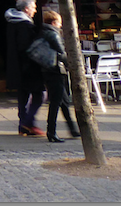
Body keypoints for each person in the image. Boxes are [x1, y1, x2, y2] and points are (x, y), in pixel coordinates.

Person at [5, 0, 45, 137]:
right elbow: (25, 47)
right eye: (34, 8)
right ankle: (28, 122)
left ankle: (24, 124)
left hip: (17, 66)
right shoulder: (25, 26)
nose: (35, 10)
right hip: (28, 66)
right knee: (40, 94)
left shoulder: (12, 22)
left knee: (23, 96)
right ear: (27, 9)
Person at [40, 10, 80, 143]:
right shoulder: (53, 34)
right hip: (55, 71)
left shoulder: (43, 32)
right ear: (54, 22)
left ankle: (72, 129)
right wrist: (74, 64)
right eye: (59, 23)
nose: (60, 26)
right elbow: (61, 53)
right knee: (56, 103)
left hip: (48, 70)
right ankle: (51, 131)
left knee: (63, 101)